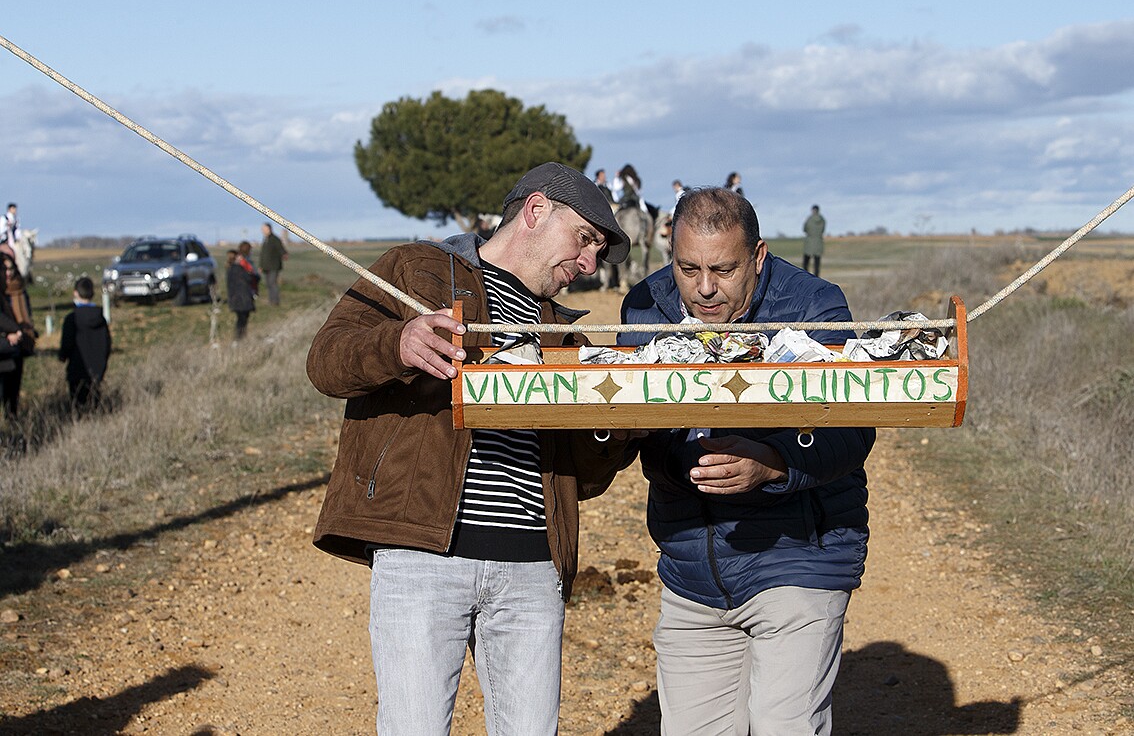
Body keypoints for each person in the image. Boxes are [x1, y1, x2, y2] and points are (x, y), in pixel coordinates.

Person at [306, 161, 633, 735]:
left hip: (534, 570)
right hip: (423, 557)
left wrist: (615, 422)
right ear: (535, 211)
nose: (589, 265)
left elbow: (581, 476)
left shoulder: (566, 340)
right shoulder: (415, 270)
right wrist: (397, 342)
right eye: (585, 240)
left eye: (598, 253)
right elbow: (327, 361)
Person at [618, 187, 874, 735]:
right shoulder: (645, 305)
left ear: (758, 257)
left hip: (797, 561)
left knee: (785, 726)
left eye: (724, 269)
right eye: (688, 268)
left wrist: (775, 464)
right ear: (669, 251)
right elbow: (633, 430)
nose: (705, 288)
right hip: (690, 572)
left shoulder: (814, 306)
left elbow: (852, 431)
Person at [58, 276, 111, 409]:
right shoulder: (101, 319)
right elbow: (107, 343)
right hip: (97, 369)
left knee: (78, 405)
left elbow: (67, 342)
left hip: (77, 368)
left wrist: (62, 356)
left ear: (75, 292)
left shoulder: (72, 319)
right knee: (94, 404)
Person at [1, 252, 36, 417]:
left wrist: (28, 331)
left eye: (11, 268)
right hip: (5, 343)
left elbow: (27, 312)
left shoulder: (20, 289)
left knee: (14, 386)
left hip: (20, 343)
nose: (8, 273)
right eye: (4, 269)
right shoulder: (1, 293)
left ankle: (12, 415)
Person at [226, 241, 259, 340]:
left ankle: (240, 338)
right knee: (242, 320)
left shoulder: (231, 267)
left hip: (237, 297)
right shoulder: (240, 266)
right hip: (242, 297)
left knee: (241, 319)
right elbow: (249, 278)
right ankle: (239, 339)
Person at [258, 221, 288, 306]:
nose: (262, 231)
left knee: (272, 283)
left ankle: (275, 301)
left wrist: (284, 254)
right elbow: (263, 254)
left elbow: (281, 249)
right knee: (268, 284)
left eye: (264, 229)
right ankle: (271, 300)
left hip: (274, 266)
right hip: (266, 266)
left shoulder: (275, 239)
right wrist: (261, 266)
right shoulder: (265, 240)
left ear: (269, 229)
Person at [803, 204, 827, 276]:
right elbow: (823, 230)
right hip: (818, 242)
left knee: (806, 262)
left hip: (809, 242)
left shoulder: (809, 219)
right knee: (817, 262)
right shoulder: (822, 220)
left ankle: (805, 275)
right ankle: (816, 276)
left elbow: (805, 229)